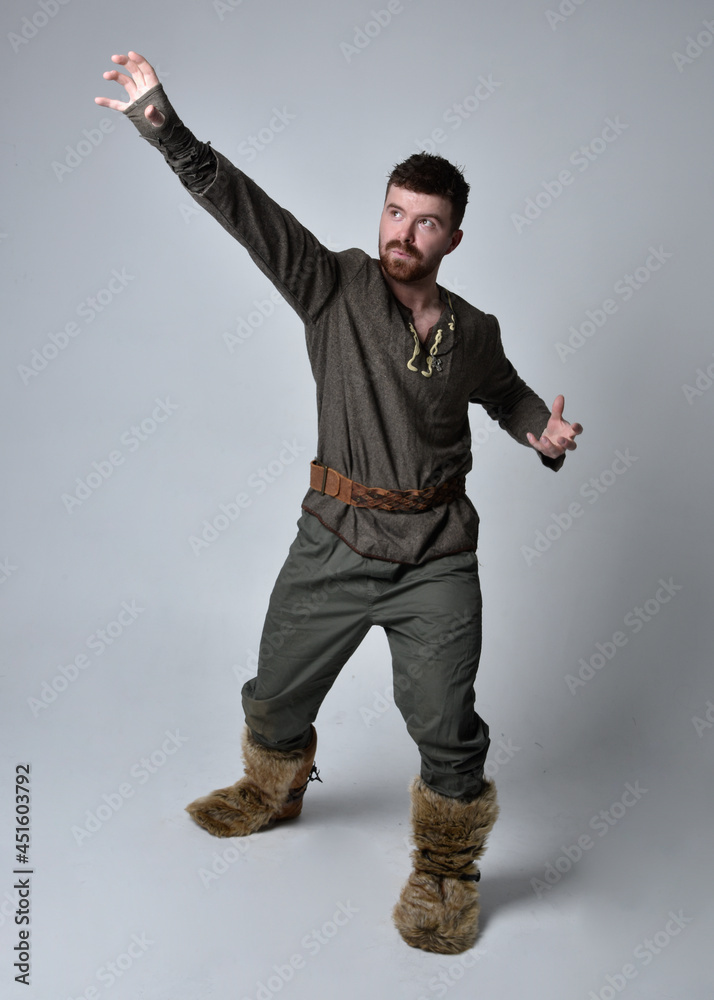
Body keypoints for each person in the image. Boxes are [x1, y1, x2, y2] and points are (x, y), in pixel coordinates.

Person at [96, 51, 582, 955]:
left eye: (426, 223)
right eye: (396, 211)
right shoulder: (335, 286)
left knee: (446, 724)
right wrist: (167, 129)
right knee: (275, 695)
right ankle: (273, 789)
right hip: (334, 541)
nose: (404, 232)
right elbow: (250, 216)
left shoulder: (475, 331)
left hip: (437, 552)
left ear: (452, 240)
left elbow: (508, 391)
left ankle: (446, 872)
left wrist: (537, 435)